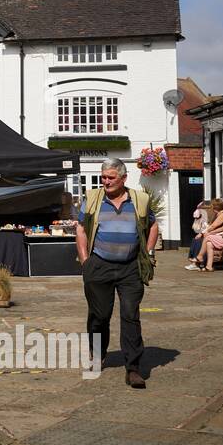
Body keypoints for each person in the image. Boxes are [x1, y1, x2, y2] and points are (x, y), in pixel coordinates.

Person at [74, 157, 159, 389]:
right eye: (103, 177)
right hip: (99, 265)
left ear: (123, 178)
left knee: (130, 314)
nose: (106, 181)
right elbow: (80, 229)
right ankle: (98, 354)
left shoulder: (140, 200)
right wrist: (85, 261)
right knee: (99, 315)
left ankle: (133, 368)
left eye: (111, 177)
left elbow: (152, 225)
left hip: (130, 267)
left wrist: (149, 253)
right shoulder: (93, 199)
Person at [185, 198, 222, 269]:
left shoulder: (221, 215)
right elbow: (211, 226)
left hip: (218, 235)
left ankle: (197, 262)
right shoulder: (216, 215)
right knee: (195, 240)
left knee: (200, 241)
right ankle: (194, 262)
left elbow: (213, 227)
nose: (210, 208)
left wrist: (202, 233)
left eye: (211, 206)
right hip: (213, 234)